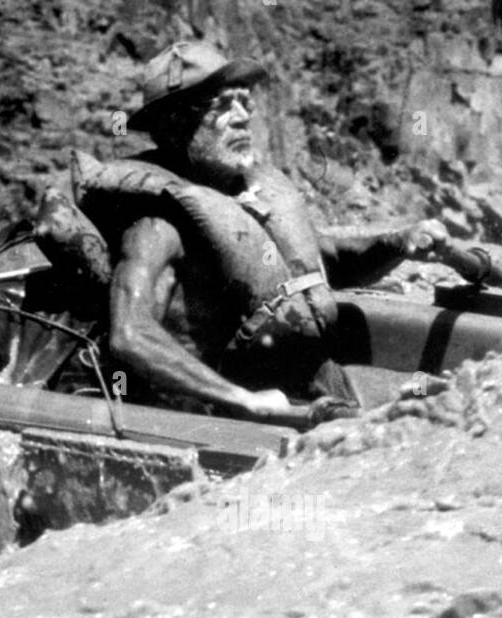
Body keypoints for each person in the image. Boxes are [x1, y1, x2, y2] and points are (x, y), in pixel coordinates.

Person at [73, 41, 455, 424]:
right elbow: (130, 333)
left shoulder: (240, 193)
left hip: (318, 382)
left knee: (444, 393)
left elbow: (321, 264)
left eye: (245, 103)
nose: (242, 117)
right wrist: (243, 400)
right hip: (240, 410)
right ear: (174, 125)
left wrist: (397, 242)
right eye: (222, 107)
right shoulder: (156, 225)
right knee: (421, 416)